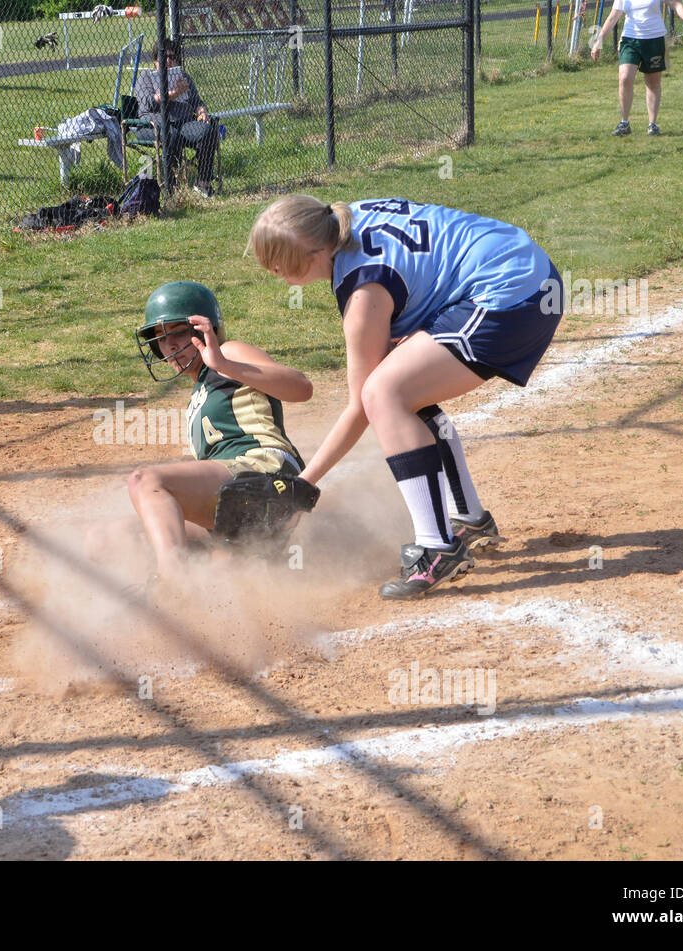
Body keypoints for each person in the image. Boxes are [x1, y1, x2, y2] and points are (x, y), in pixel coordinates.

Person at [248, 196, 564, 599]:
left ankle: (437, 548)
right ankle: (469, 518)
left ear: (314, 252)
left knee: (384, 392)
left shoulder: (364, 290)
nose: (274, 272)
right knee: (401, 377)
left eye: (278, 263)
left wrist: (302, 485)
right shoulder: (339, 218)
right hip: (522, 267)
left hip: (513, 297)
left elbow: (361, 405)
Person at [84, 281, 312, 590]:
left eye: (178, 333)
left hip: (266, 477)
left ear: (206, 329)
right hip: (236, 511)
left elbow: (301, 387)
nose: (170, 346)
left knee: (145, 481)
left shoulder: (230, 353)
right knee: (105, 539)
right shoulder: (196, 401)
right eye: (161, 339)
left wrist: (225, 364)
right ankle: (216, 578)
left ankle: (173, 581)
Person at [591, 0, 683, 136]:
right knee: (624, 78)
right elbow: (613, 16)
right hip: (630, 39)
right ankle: (624, 123)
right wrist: (598, 41)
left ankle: (652, 124)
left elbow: (676, 5)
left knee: (653, 83)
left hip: (654, 39)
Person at [132, 38, 219, 198]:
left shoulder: (182, 76)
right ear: (155, 59)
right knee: (170, 134)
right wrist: (173, 94)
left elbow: (196, 101)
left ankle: (203, 184)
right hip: (151, 125)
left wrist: (202, 111)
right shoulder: (146, 77)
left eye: (172, 57)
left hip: (183, 124)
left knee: (208, 130)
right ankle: (171, 190)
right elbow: (148, 103)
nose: (168, 60)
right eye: (163, 57)